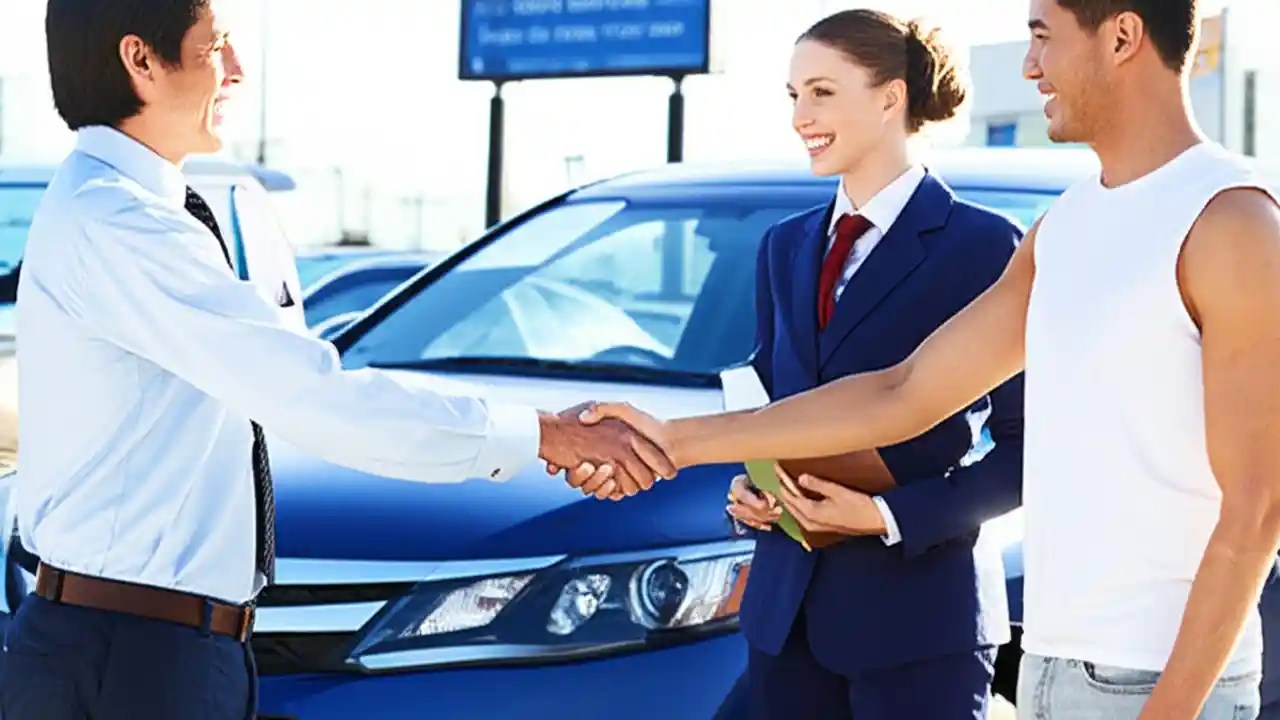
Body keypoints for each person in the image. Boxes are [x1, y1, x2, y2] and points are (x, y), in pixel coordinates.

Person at [578, 0, 1280, 717]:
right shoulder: (1067, 226)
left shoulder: (1231, 220)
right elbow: (903, 390)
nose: (1030, 65)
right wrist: (673, 439)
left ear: (1123, 36)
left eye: (1042, 37)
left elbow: (1259, 507)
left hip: (1161, 683)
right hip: (1047, 665)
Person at [0, 1, 666, 718]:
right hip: (132, 658)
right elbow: (312, 396)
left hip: (154, 646)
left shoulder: (144, 207)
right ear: (140, 61)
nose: (237, 71)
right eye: (216, 47)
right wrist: (541, 434)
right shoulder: (121, 222)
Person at [709, 10, 1026, 720]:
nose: (800, 117)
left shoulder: (983, 247)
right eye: (793, 96)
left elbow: (1029, 450)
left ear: (891, 97)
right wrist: (752, 491)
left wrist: (881, 514)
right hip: (784, 621)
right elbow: (772, 411)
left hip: (921, 630)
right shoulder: (783, 247)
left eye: (821, 92)